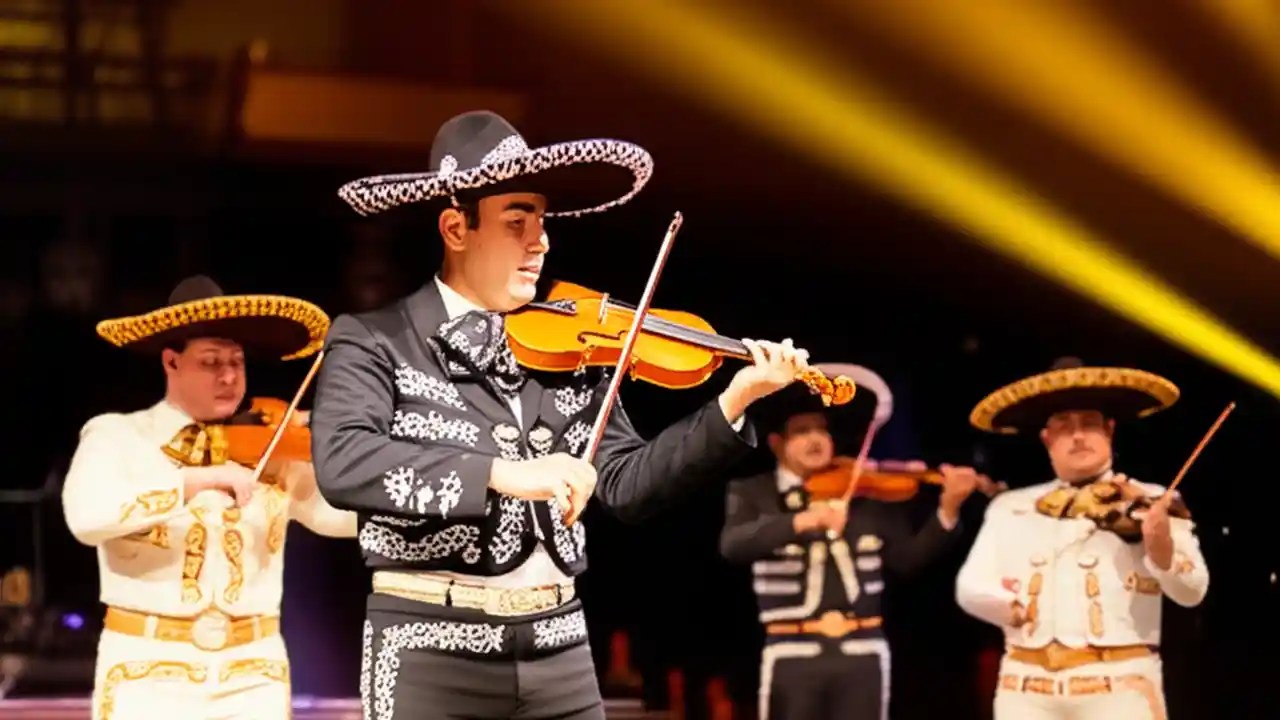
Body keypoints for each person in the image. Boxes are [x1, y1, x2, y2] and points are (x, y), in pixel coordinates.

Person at [310, 109, 815, 720]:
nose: (541, 241)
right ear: (455, 228)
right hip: (428, 650)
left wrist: (734, 401)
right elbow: (344, 461)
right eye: (516, 221)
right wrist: (501, 472)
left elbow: (628, 483)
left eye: (542, 221)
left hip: (560, 648)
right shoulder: (375, 338)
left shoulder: (571, 343)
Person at [61, 275, 358, 720]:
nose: (228, 376)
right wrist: (195, 483)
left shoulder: (271, 446)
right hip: (147, 675)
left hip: (253, 674)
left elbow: (341, 519)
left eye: (237, 362)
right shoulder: (117, 436)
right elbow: (86, 518)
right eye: (210, 362)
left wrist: (373, 466)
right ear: (171, 363)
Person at [720, 362, 989, 720]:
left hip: (863, 652)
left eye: (822, 430)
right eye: (802, 431)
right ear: (776, 443)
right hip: (791, 652)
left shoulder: (862, 492)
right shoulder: (753, 493)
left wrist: (949, 508)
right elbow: (734, 545)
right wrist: (802, 520)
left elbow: (908, 559)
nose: (816, 439)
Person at [955, 357, 1209, 719]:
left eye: (1089, 424)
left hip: (1120, 690)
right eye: (1064, 425)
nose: (1077, 435)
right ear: (1047, 438)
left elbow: (1192, 591)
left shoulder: (1150, 500)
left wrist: (1162, 550)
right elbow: (969, 585)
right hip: (1025, 692)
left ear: (1109, 430)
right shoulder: (1011, 507)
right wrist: (1008, 608)